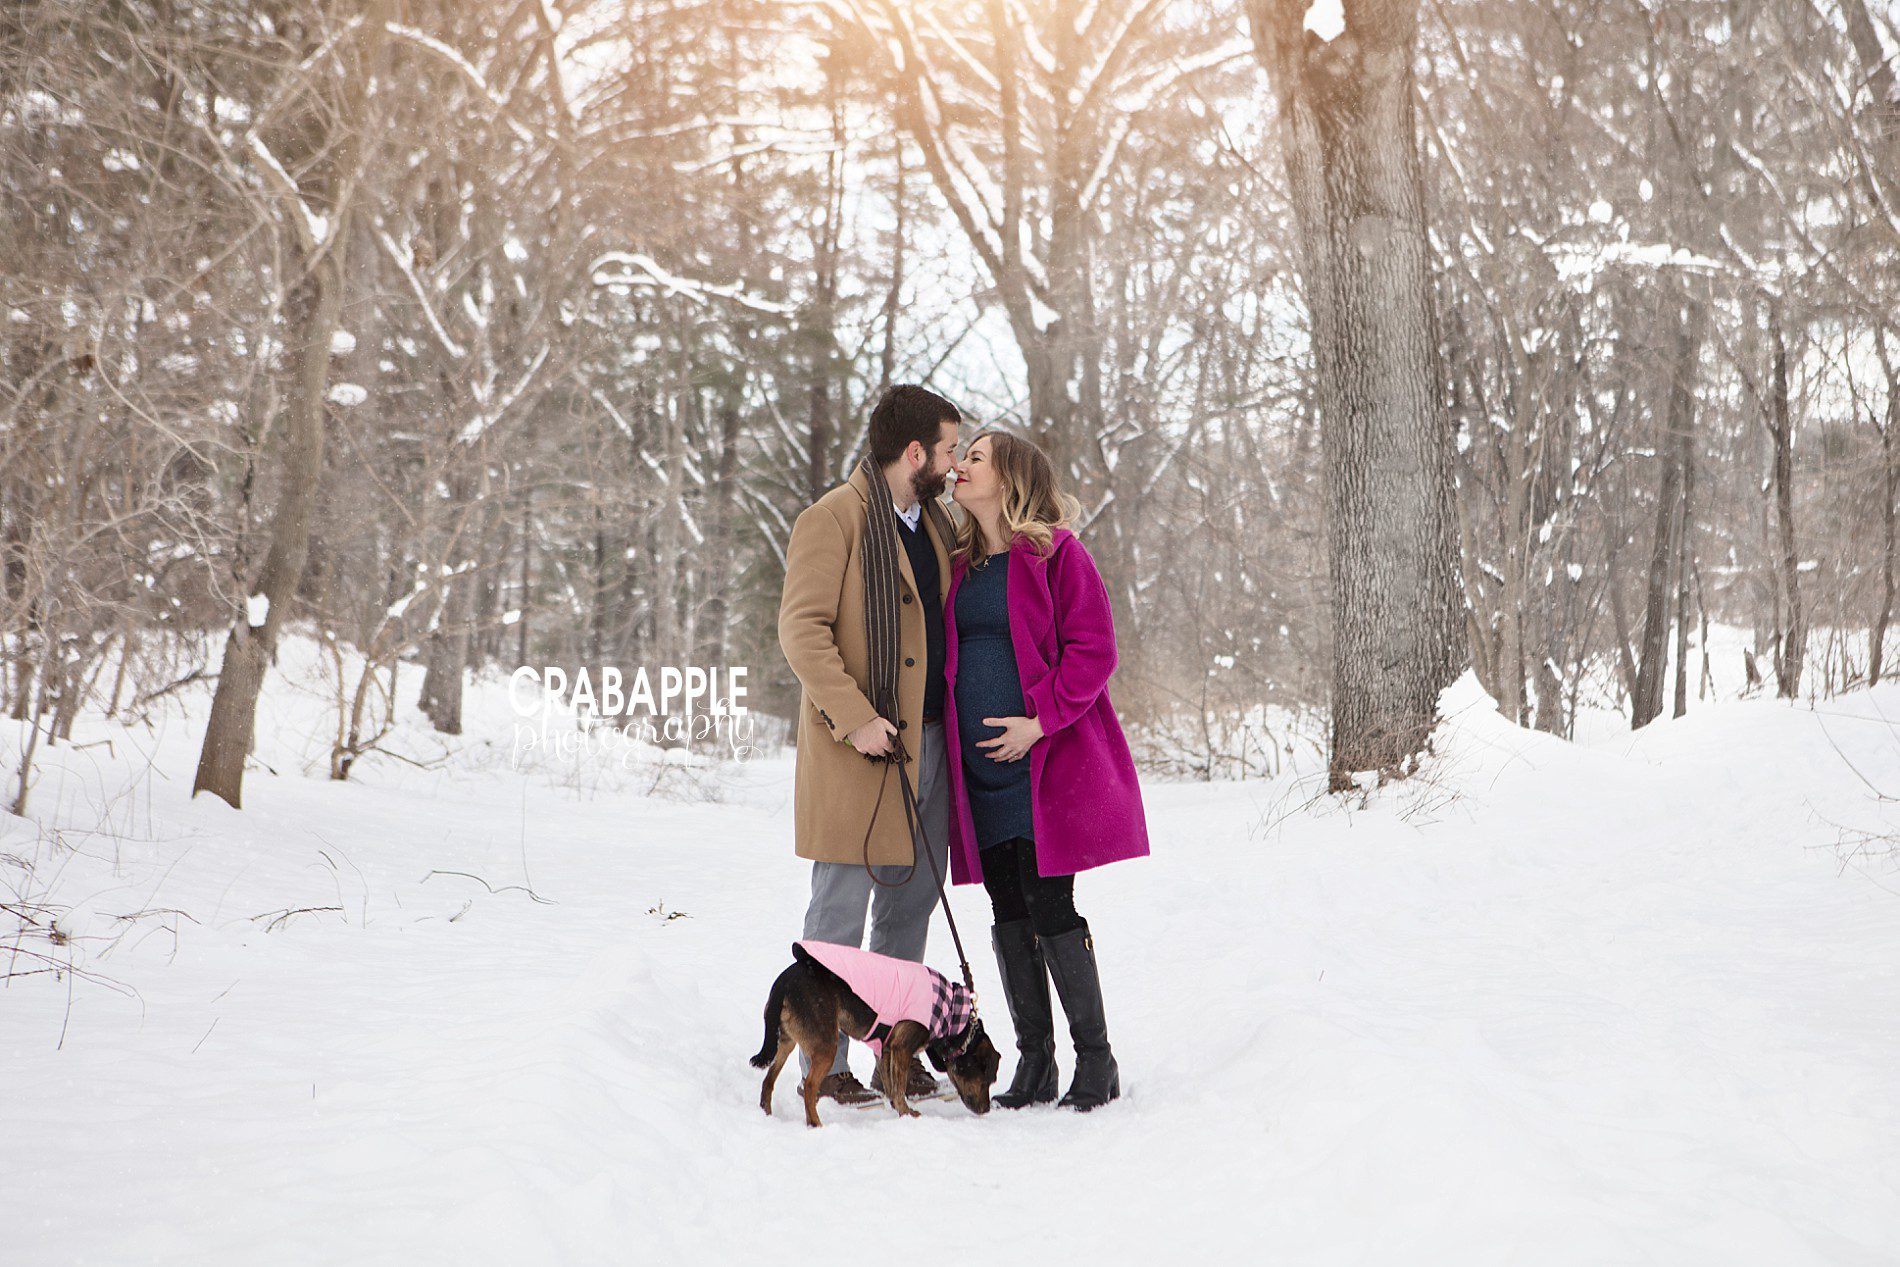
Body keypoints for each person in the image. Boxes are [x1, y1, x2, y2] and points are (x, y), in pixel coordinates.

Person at [943, 429, 1150, 1111]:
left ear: (1010, 477)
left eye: (974, 457)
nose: (960, 465)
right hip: (980, 774)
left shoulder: (1057, 553)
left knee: (1049, 902)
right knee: (1006, 905)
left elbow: (1095, 649)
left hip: (1042, 765)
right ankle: (1035, 1060)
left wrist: (1039, 722)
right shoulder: (961, 564)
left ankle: (1098, 1059)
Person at [777, 385, 962, 1106]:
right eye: (948, 449)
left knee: (910, 901)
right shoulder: (833, 520)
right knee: (840, 907)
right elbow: (803, 630)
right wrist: (855, 716)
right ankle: (827, 1064)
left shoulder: (939, 524)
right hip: (861, 748)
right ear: (914, 453)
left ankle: (892, 1050)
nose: (952, 462)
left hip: (932, 743)